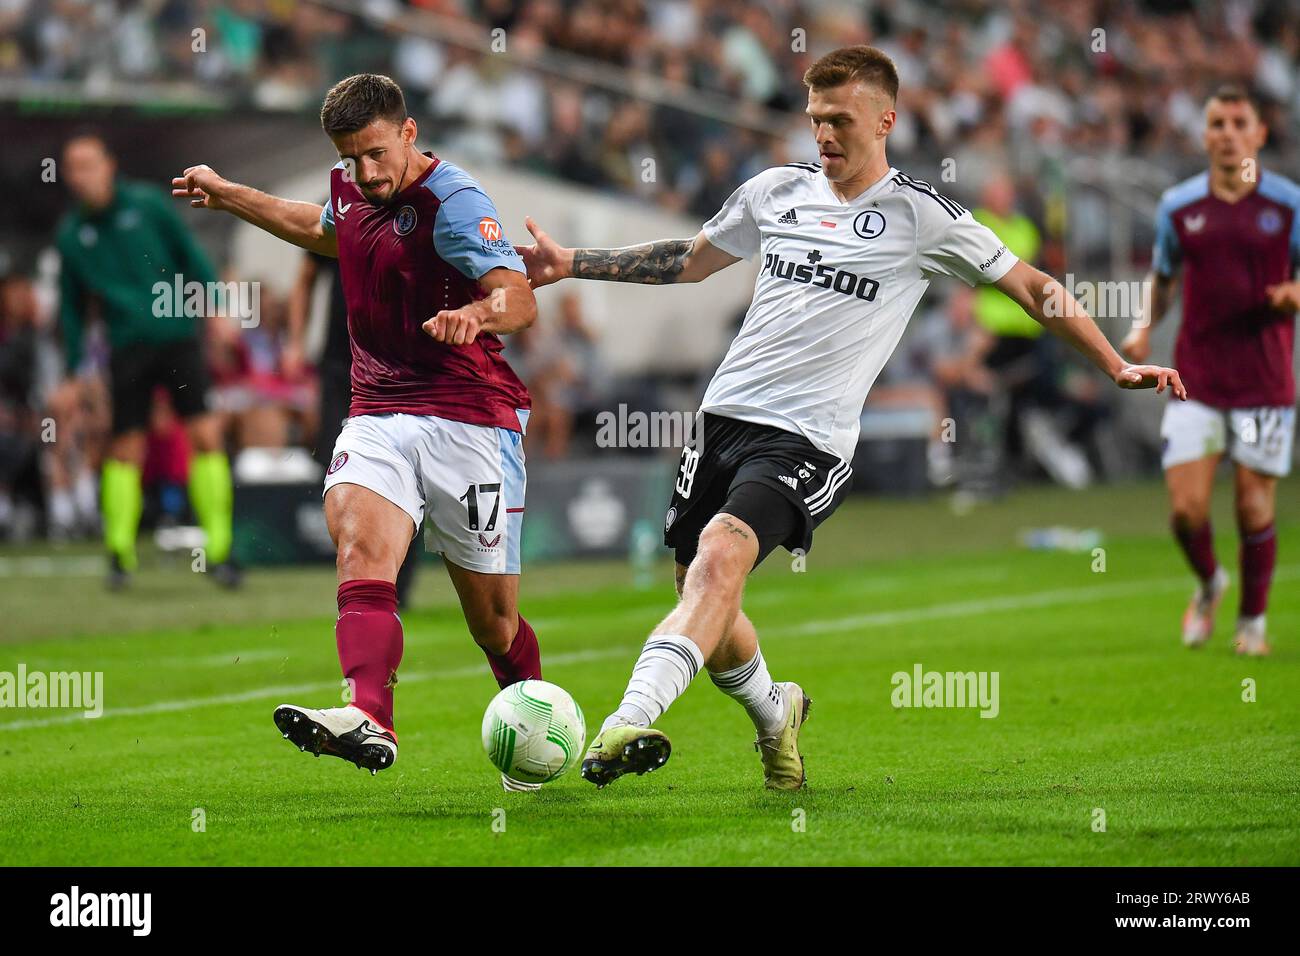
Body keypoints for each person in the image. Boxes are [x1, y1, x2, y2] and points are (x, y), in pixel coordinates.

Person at [520, 45, 1185, 791]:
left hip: (806, 438)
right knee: (701, 591)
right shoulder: (775, 191)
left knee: (718, 562)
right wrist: (572, 261)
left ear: (885, 120)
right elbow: (690, 259)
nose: (824, 135)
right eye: (815, 120)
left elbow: (1033, 289)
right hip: (720, 421)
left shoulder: (921, 216)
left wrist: (1115, 363)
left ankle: (625, 721)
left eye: (839, 120)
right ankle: (776, 713)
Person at [172, 73, 544, 790]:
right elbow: (316, 227)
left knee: (494, 626)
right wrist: (227, 191)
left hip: (469, 417)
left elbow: (519, 295)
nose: (366, 173)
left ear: (409, 133)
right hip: (377, 409)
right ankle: (369, 713)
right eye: (350, 158)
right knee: (358, 538)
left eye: (376, 153)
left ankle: (530, 726)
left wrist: (478, 315)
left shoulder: (453, 201)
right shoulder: (350, 188)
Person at [1121, 85, 1300, 657]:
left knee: (1253, 505)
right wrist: (1143, 328)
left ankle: (1252, 622)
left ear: (1259, 134)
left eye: (1237, 122)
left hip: (1264, 383)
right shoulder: (1178, 206)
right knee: (1185, 510)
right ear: (1203, 136)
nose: (1227, 133)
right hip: (1195, 379)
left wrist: (1294, 292)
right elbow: (1164, 278)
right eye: (1216, 123)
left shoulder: (1289, 206)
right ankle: (1208, 583)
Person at [56, 132, 238, 589]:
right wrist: (75, 370)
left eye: (89, 164)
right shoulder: (72, 235)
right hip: (127, 348)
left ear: (109, 165)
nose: (83, 176)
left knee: (205, 435)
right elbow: (72, 310)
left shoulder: (150, 205)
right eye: (73, 168)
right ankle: (119, 554)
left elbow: (190, 255)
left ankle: (219, 551)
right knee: (126, 449)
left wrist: (214, 308)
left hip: (177, 336)